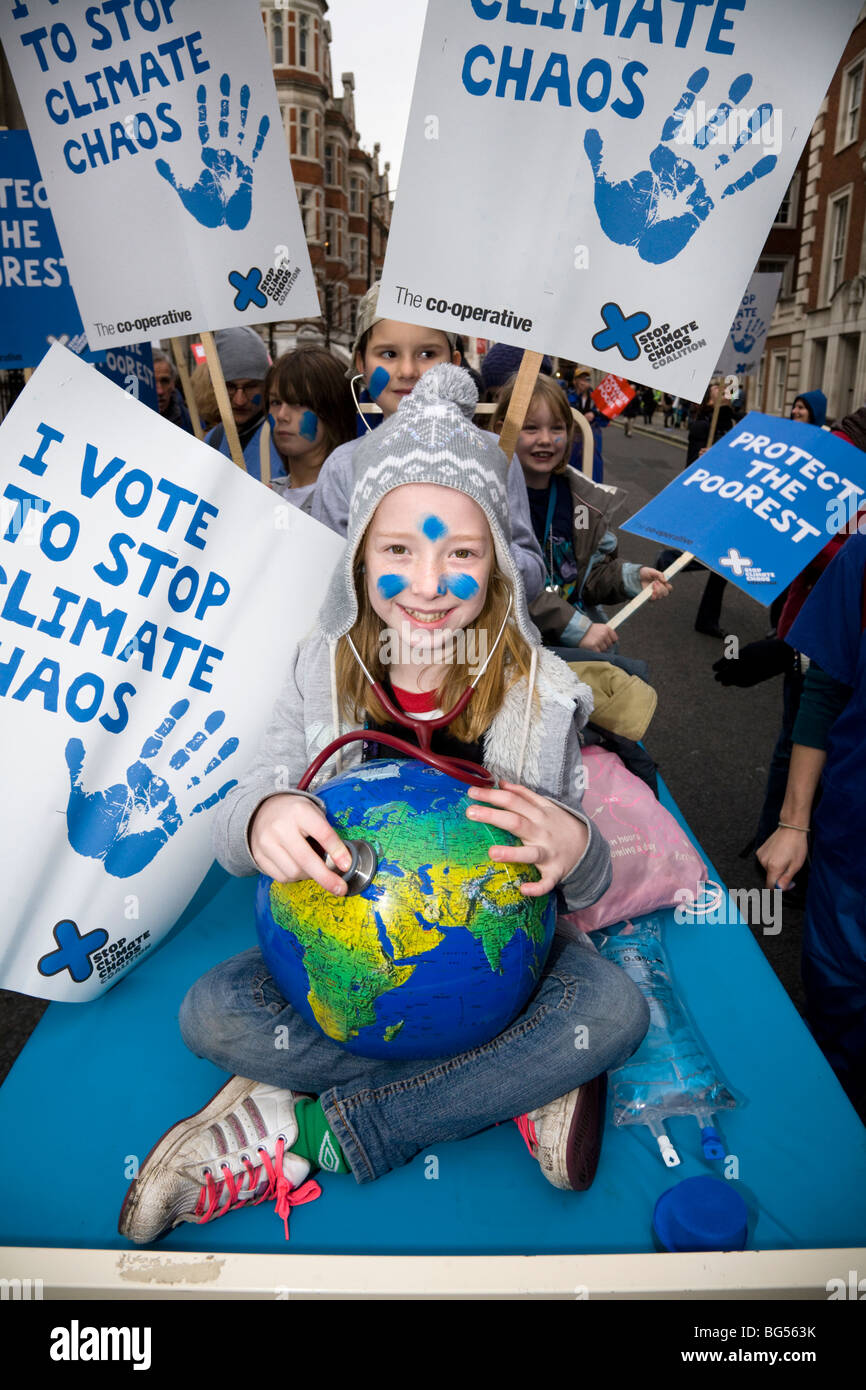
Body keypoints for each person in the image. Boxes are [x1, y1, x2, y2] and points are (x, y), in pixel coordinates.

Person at [117, 364, 650, 1245]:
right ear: (360, 553)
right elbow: (231, 823)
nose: (429, 582)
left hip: (501, 966)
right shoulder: (318, 670)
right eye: (399, 549)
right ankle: (519, 1082)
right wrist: (262, 817)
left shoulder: (540, 694)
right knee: (209, 1013)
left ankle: (315, 1126)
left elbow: (585, 887)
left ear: (500, 570)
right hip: (351, 948)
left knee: (611, 1013)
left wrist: (575, 844)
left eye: (461, 553)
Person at [312, 285, 546, 602]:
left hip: (476, 648)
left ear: (454, 362)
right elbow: (325, 586)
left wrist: (487, 552)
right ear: (361, 365)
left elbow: (531, 580)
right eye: (388, 354)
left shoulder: (493, 456)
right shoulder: (343, 468)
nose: (408, 371)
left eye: (427, 354)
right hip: (376, 649)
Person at [756, 532, 866, 1114]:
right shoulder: (863, 555)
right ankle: (832, 1121)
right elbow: (823, 688)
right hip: (853, 832)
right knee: (839, 994)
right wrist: (793, 823)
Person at [491, 373, 670, 659]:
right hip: (510, 647)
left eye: (557, 428)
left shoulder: (581, 502)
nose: (546, 440)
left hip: (571, 647)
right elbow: (506, 587)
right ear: (505, 430)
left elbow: (589, 575)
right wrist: (575, 627)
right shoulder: (488, 500)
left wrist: (631, 578)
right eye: (531, 428)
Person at [655, 381, 735, 637]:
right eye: (717, 387)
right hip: (709, 499)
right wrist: (710, 459)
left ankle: (706, 617)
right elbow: (694, 467)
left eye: (727, 388)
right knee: (722, 559)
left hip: (728, 497)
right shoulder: (703, 424)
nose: (724, 389)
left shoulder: (730, 422)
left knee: (723, 561)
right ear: (708, 395)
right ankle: (672, 561)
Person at [265, 347, 356, 514]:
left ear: (332, 410)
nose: (282, 415)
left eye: (299, 403)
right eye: (275, 402)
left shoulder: (352, 501)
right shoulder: (266, 495)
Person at [204, 327, 285, 485]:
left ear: (265, 386)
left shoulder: (285, 438)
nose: (239, 400)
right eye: (230, 387)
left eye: (250, 386)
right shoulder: (213, 440)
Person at [572, 366, 607, 482]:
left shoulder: (597, 398)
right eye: (581, 378)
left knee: (593, 468)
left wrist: (594, 413)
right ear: (575, 381)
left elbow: (604, 420)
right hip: (574, 439)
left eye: (587, 379)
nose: (584, 381)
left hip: (593, 438)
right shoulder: (569, 396)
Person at [152, 350, 193, 433]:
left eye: (165, 381)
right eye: (152, 382)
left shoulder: (191, 421)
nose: (160, 391)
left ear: (173, 383)